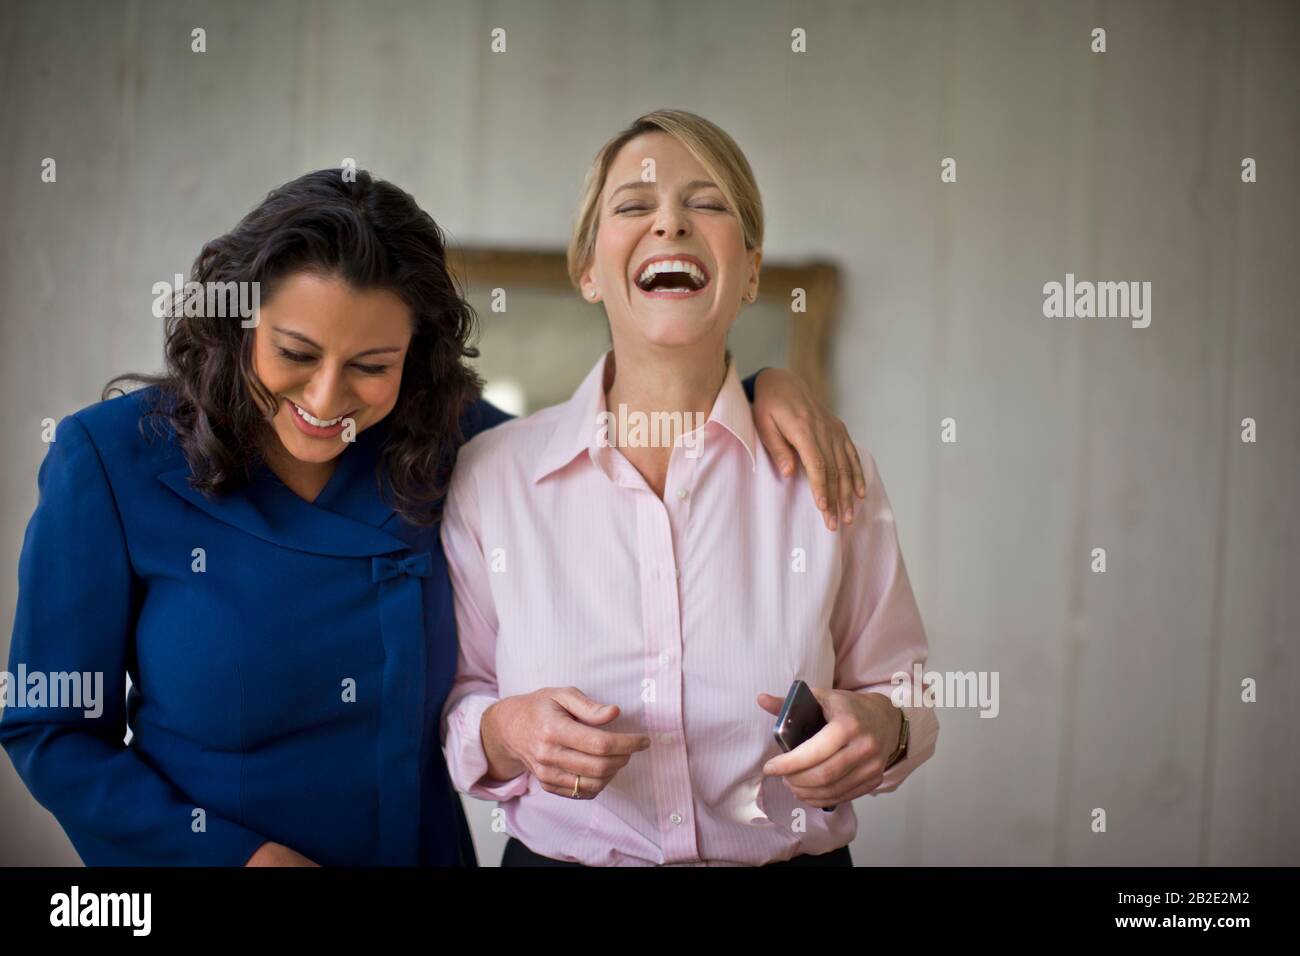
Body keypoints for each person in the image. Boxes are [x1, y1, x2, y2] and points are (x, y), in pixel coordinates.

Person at [0, 166, 860, 865]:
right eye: (294, 354)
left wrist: (758, 392)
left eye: (371, 366)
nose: (327, 400)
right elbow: (47, 726)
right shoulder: (111, 464)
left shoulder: (458, 449)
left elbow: (610, 438)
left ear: (415, 364)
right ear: (237, 325)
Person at [441, 110, 939, 866]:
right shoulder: (490, 479)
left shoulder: (837, 476)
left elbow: (907, 691)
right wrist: (505, 731)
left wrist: (884, 725)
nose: (669, 223)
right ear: (587, 270)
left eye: (706, 204)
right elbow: (457, 699)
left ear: (751, 272)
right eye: (634, 207)